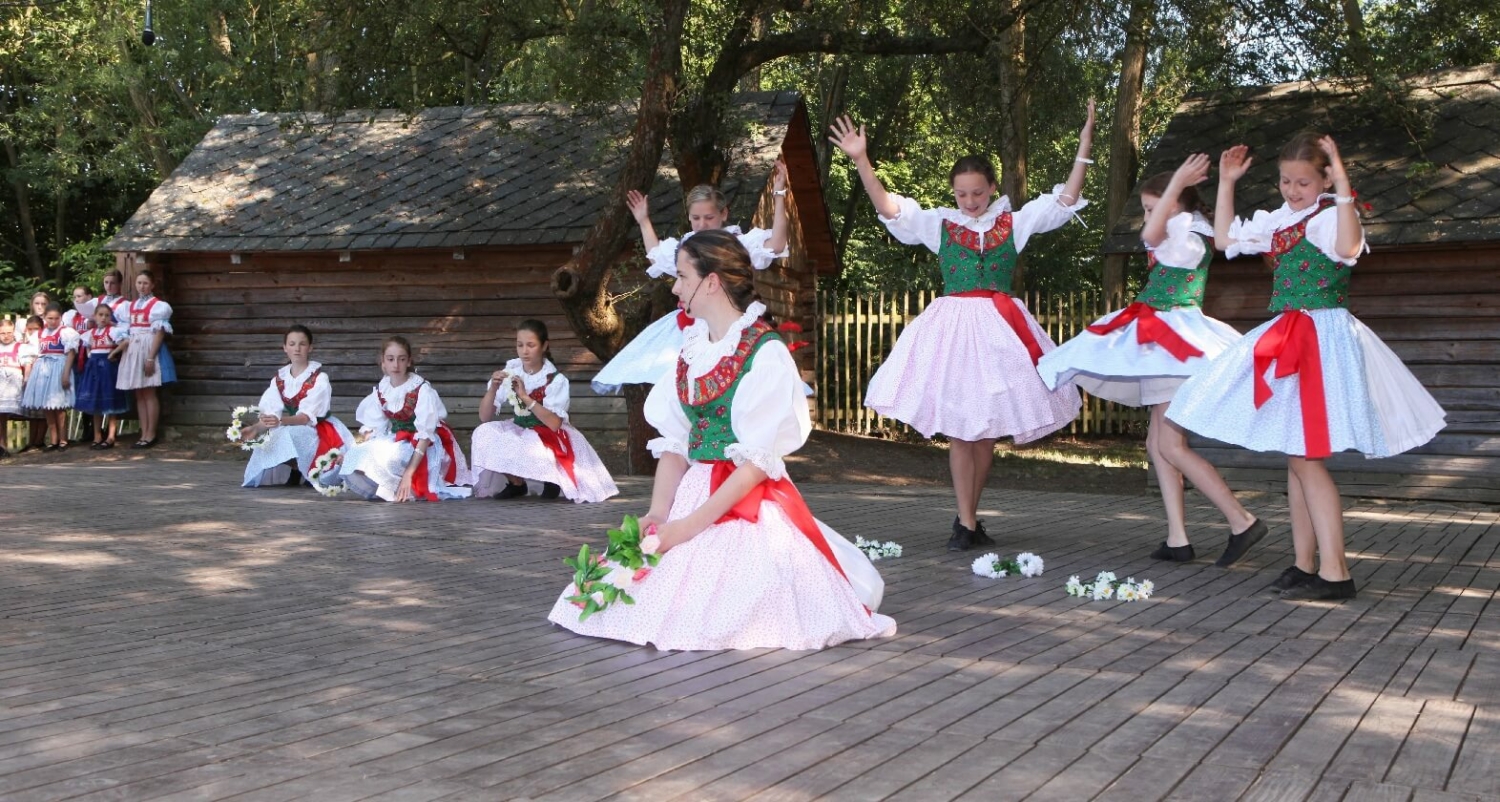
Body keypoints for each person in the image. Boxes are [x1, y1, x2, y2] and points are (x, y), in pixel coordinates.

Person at [548, 230, 895, 650]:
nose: (675, 287)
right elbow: (676, 442)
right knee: (627, 598)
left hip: (744, 498)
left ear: (711, 282)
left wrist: (688, 526)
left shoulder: (764, 352)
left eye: (682, 276)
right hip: (693, 494)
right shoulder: (692, 350)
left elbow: (756, 464)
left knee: (717, 605)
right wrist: (659, 513)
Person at [1167, 133, 1446, 601]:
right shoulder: (1281, 219)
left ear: (1323, 181)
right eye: (1285, 181)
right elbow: (1224, 239)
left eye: (1303, 182)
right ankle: (1304, 564)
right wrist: (1228, 181)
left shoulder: (1330, 216)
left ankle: (1336, 573)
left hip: (1321, 339)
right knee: (1296, 456)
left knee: (1306, 457)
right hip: (1290, 334)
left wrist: (1343, 186)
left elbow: (1349, 247)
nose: (1292, 190)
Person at [828, 105, 1093, 550]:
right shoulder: (940, 224)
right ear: (953, 193)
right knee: (960, 431)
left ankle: (967, 518)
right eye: (962, 194)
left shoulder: (1014, 223)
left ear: (992, 188)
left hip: (1001, 334)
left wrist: (1084, 145)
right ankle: (966, 522)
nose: (970, 201)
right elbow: (889, 207)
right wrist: (861, 160)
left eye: (977, 193)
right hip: (952, 334)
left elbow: (1065, 200)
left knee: (985, 435)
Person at [1037, 155, 1266, 565]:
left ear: (1176, 204)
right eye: (1145, 208)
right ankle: (1178, 538)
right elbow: (1153, 231)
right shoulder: (1182, 230)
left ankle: (1241, 520)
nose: (1147, 216)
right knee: (1157, 443)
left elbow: (1152, 233)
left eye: (1152, 207)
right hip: (1160, 337)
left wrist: (1175, 183)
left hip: (1172, 342)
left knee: (1170, 444)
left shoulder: (1188, 237)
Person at [590, 164, 791, 395]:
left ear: (724, 214)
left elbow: (776, 245)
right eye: (696, 218)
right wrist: (643, 220)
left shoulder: (736, 244)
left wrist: (779, 195)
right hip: (691, 326)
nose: (702, 224)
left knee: (735, 381)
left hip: (729, 324)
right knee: (685, 384)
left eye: (709, 217)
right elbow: (657, 256)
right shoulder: (686, 248)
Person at [470, 319, 619, 503]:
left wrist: (525, 397)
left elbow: (555, 423)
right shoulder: (511, 371)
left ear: (544, 346)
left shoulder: (555, 380)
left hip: (549, 432)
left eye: (531, 345)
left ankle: (552, 479)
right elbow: (484, 417)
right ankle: (517, 483)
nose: (524, 351)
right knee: (484, 432)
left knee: (533, 443)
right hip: (520, 427)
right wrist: (493, 389)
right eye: (520, 345)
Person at [336, 336, 472, 502]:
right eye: (390, 359)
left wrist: (409, 473)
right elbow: (371, 428)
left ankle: (402, 485)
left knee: (394, 456)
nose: (396, 365)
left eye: (401, 359)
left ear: (409, 362)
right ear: (383, 362)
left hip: (423, 445)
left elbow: (425, 435)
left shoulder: (421, 389)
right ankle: (388, 488)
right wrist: (351, 450)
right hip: (397, 440)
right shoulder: (382, 390)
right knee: (359, 453)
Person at [240, 325, 355, 488]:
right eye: (292, 344)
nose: (297, 349)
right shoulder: (279, 379)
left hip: (318, 427)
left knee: (288, 434)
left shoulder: (319, 378)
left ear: (310, 348)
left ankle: (308, 469)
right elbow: (271, 413)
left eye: (302, 344)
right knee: (268, 439)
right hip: (292, 424)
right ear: (285, 348)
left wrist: (280, 421)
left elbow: (304, 418)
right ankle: (296, 468)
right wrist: (255, 428)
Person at [115, 270, 177, 448]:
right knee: (139, 394)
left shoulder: (158, 306)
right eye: (139, 283)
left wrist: (151, 358)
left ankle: (151, 434)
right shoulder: (129, 306)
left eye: (145, 283)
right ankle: (143, 433)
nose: (141, 286)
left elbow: (159, 333)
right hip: (134, 348)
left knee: (149, 392)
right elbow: (123, 330)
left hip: (148, 348)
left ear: (152, 285)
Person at [20, 303, 80, 451]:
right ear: (45, 318)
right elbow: (33, 354)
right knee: (47, 406)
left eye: (56, 318)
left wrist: (66, 373)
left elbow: (71, 353)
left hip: (59, 367)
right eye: (50, 318)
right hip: (43, 370)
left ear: (61, 317)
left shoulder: (66, 332)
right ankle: (53, 439)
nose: (53, 321)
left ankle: (63, 439)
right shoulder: (40, 334)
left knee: (59, 406)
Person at [74, 303, 131, 449]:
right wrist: (90, 356)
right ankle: (97, 436)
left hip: (108, 368)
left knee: (110, 400)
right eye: (100, 315)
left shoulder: (112, 331)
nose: (103, 318)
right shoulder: (90, 333)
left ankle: (110, 436)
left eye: (107, 315)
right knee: (96, 401)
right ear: (95, 316)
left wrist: (113, 353)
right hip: (93, 369)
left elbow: (125, 342)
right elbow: (87, 348)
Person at [0, 317, 23, 457]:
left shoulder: (20, 347)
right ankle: (2, 445)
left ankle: (3, 444)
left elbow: (26, 365)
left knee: (3, 416)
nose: (6, 336)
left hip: (11, 388)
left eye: (9, 332)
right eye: (2, 333)